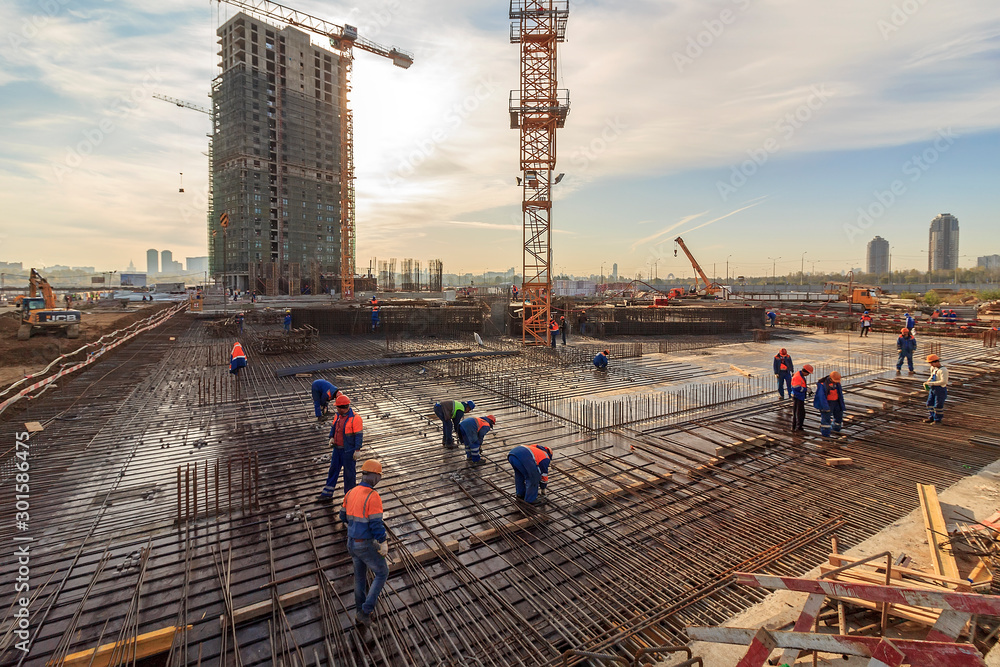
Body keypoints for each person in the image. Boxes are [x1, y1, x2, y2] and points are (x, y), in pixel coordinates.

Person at [340, 459, 388, 634]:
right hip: (364, 544)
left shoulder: (351, 492)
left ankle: (359, 612)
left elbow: (342, 516)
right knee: (382, 572)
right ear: (374, 476)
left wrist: (355, 527)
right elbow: (376, 525)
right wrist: (382, 541)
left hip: (351, 543)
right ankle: (366, 611)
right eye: (379, 476)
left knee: (360, 578)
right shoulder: (372, 496)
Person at [318, 395, 364, 500]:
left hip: (348, 451)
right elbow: (334, 427)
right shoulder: (337, 416)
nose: (336, 408)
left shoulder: (355, 418)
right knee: (333, 470)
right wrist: (331, 437)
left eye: (337, 407)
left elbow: (358, 436)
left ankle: (350, 497)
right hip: (337, 449)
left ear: (342, 407)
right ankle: (327, 494)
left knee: (349, 474)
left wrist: (357, 450)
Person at [813, 371, 845, 438]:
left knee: (839, 418)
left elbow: (840, 394)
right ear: (830, 378)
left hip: (836, 402)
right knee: (826, 420)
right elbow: (821, 397)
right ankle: (825, 435)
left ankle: (836, 430)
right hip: (827, 403)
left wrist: (841, 404)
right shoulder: (823, 384)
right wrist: (825, 407)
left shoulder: (837, 383)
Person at [923, 354, 948, 424]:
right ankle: (932, 417)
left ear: (936, 362)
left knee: (938, 405)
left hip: (940, 389)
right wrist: (927, 382)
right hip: (933, 389)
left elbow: (944, 381)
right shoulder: (933, 368)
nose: (931, 365)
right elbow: (931, 376)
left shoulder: (943, 370)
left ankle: (937, 420)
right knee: (929, 403)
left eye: (931, 363)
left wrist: (932, 383)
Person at [790, 364, 814, 432]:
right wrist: (805, 390)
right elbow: (796, 388)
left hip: (798, 396)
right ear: (805, 372)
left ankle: (795, 426)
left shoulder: (799, 375)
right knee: (800, 413)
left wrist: (806, 388)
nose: (808, 375)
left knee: (797, 412)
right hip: (798, 396)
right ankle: (798, 428)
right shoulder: (798, 377)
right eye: (808, 373)